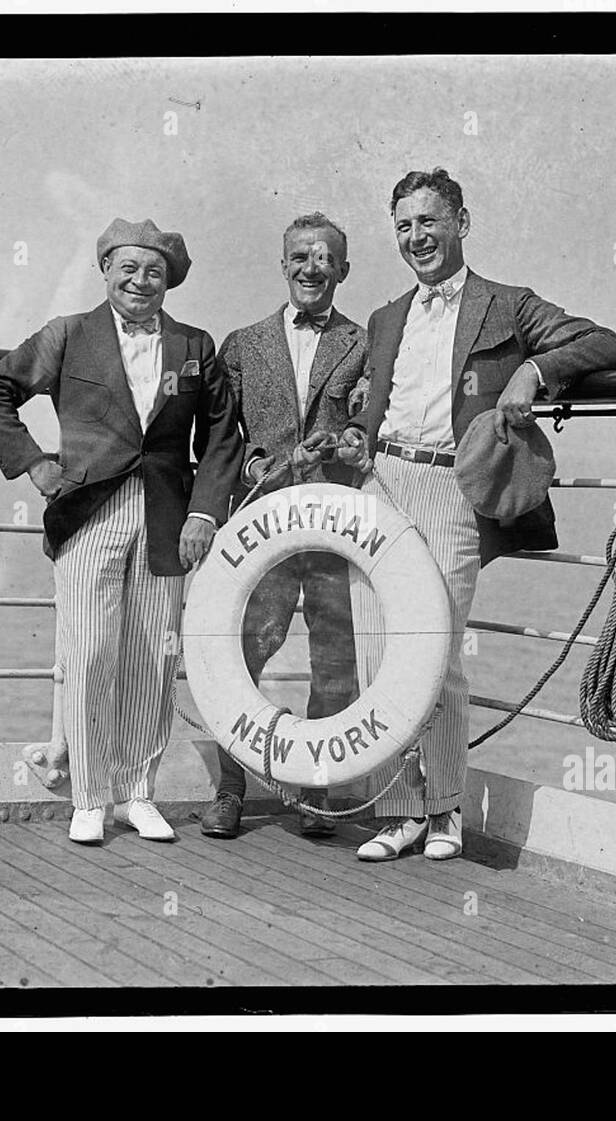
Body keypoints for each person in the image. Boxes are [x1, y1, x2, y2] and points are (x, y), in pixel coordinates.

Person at [336, 168, 616, 862]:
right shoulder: (385, 319)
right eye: (405, 225)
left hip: (450, 487)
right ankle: (397, 809)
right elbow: (367, 396)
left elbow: (606, 344)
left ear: (461, 223)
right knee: (377, 648)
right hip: (382, 482)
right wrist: (356, 433)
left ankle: (444, 809)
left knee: (434, 650)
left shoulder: (507, 305)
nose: (417, 237)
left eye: (430, 221)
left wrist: (535, 372)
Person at [0, 217, 242, 844]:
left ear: (169, 280)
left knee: (150, 655)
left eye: (154, 271)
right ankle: (89, 797)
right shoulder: (68, 335)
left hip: (168, 519)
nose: (140, 281)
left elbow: (222, 434)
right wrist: (35, 463)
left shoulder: (195, 346)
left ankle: (138, 793)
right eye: (129, 268)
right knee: (89, 652)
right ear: (107, 271)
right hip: (89, 511)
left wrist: (203, 513)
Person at [199, 213, 368, 840]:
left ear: (342, 271)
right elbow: (218, 439)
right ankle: (231, 788)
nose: (311, 269)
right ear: (283, 265)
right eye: (300, 257)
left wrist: (350, 440)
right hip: (259, 529)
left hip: (333, 532)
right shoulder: (241, 345)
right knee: (242, 652)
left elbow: (367, 419)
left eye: (325, 259)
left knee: (336, 658)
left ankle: (314, 786)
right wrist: (262, 466)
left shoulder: (364, 341)